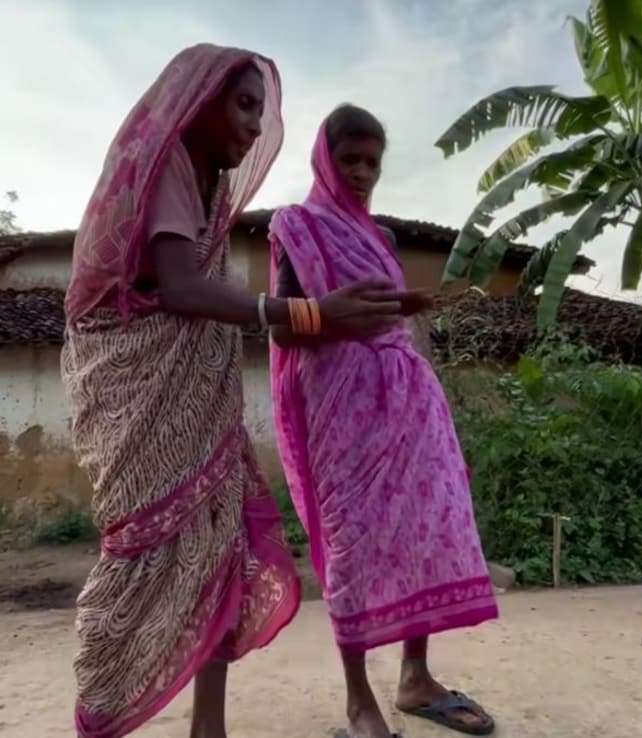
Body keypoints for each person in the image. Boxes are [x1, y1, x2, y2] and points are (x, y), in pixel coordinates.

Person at [62, 45, 410, 738]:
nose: (256, 126)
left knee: (221, 553)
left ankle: (209, 730)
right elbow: (185, 290)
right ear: (202, 103)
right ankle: (98, 715)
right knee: (142, 556)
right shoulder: (166, 170)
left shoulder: (209, 188)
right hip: (144, 400)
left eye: (261, 109)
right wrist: (314, 313)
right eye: (244, 105)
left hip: (201, 404)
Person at [268, 103, 500, 738]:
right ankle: (357, 699)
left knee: (421, 529)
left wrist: (405, 305)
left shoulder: (383, 238)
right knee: (353, 546)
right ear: (326, 159)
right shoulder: (298, 227)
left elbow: (378, 313)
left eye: (373, 161)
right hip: (340, 407)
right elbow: (284, 319)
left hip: (407, 401)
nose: (363, 172)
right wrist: (331, 316)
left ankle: (415, 677)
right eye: (351, 160)